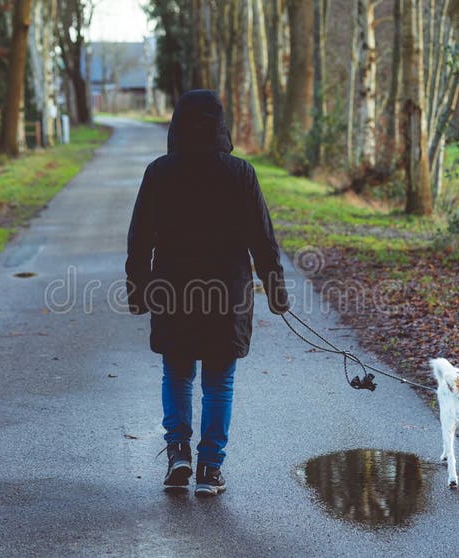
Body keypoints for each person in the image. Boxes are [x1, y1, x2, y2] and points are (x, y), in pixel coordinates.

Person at [126, 89, 289, 496]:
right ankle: (210, 470)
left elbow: (140, 238)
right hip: (226, 293)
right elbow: (262, 239)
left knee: (177, 373)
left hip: (172, 289)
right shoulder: (240, 173)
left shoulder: (159, 172)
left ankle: (179, 454)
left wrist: (138, 287)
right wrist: (275, 288)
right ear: (221, 125)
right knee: (219, 382)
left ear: (176, 124)